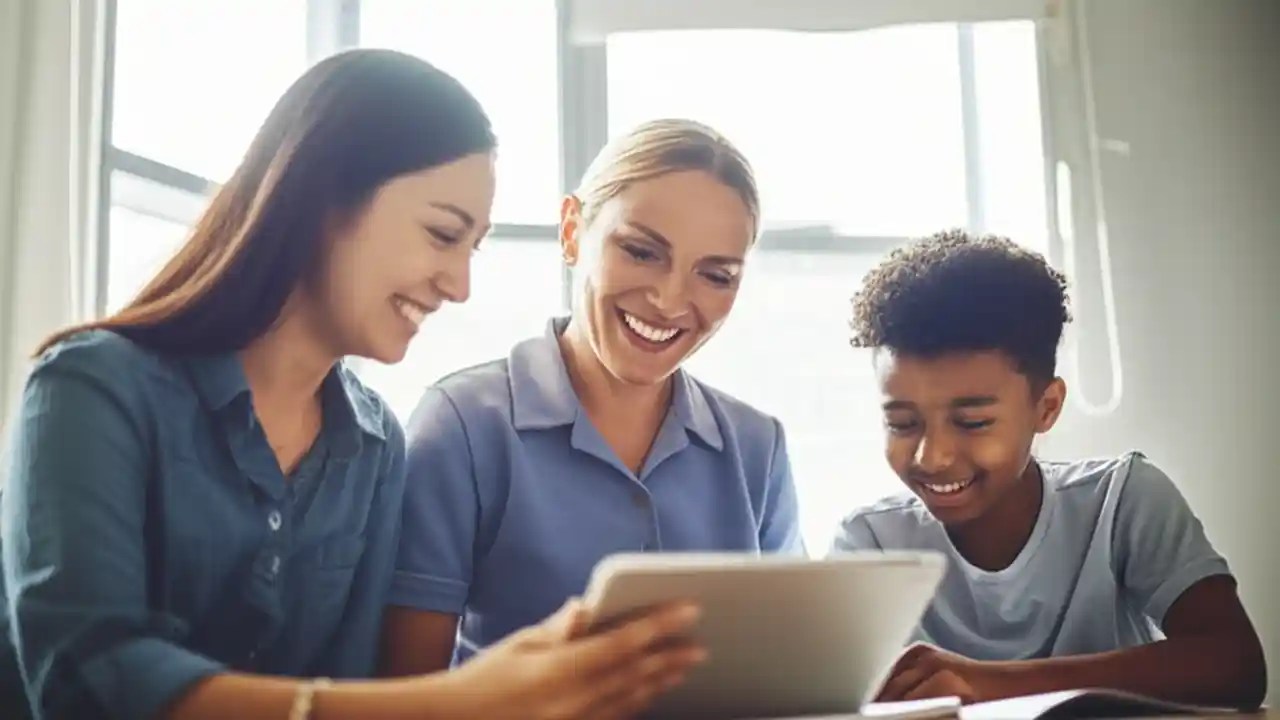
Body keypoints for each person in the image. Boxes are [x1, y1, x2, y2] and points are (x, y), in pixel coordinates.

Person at [0, 49, 706, 720]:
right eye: (440, 234)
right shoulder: (93, 389)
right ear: (323, 199)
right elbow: (85, 682)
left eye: (473, 248)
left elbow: (358, 687)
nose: (458, 285)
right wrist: (458, 703)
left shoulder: (372, 447)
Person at [380, 119, 807, 674]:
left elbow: (791, 672)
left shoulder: (757, 448)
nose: (671, 300)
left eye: (716, 275)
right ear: (572, 231)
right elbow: (408, 694)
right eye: (642, 251)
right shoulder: (464, 425)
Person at [830, 230, 1267, 709]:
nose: (932, 457)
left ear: (1047, 406)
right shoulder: (869, 543)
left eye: (973, 422)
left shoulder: (1121, 502)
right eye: (902, 423)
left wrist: (990, 683)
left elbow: (1235, 665)